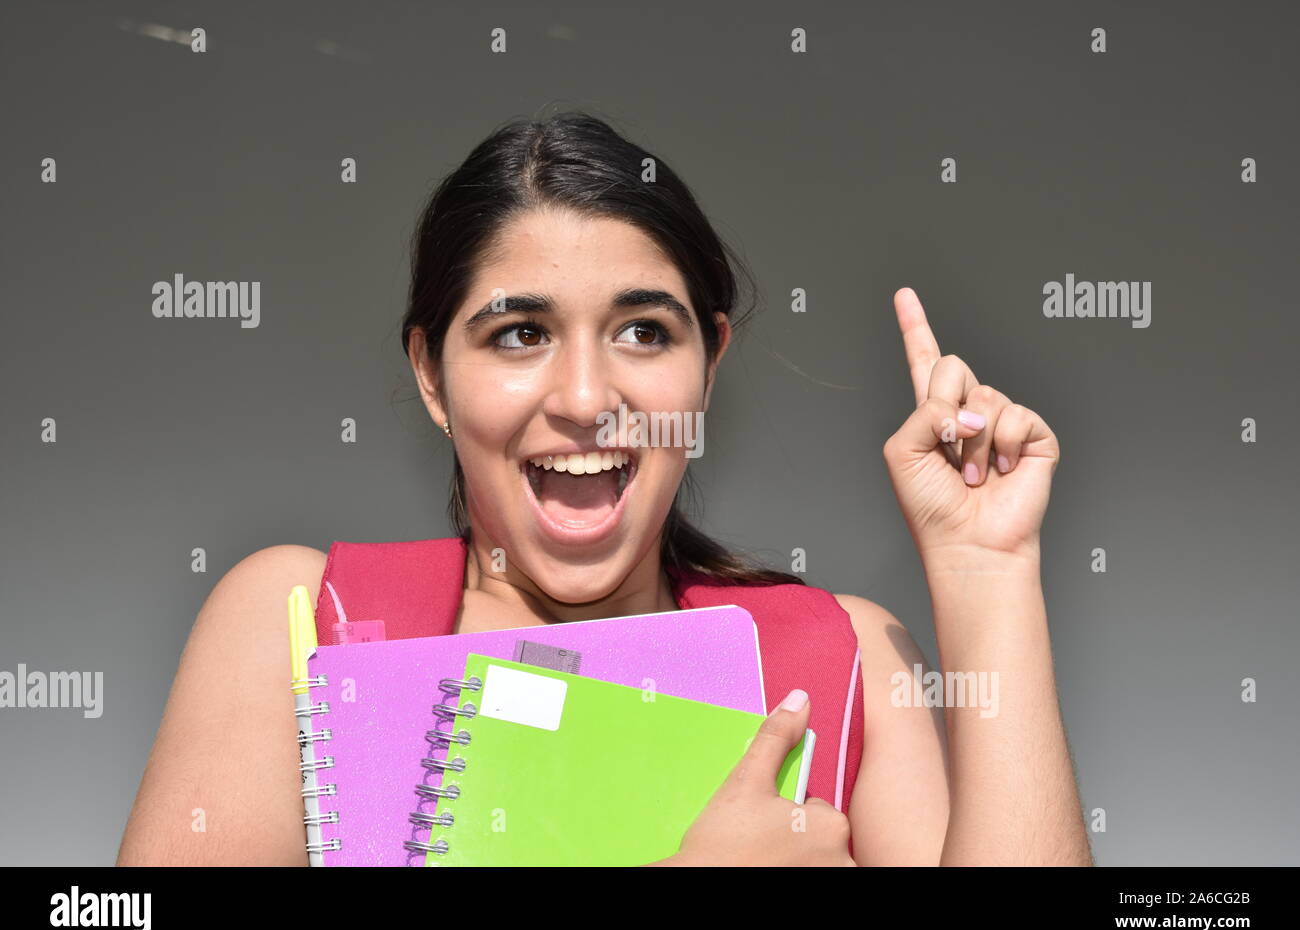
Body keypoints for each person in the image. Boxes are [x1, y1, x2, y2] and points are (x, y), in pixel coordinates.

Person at [118, 111, 1092, 866]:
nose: (586, 399)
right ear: (431, 373)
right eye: (518, 333)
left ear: (707, 363)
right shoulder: (299, 620)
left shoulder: (843, 663)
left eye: (641, 331)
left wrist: (985, 566)